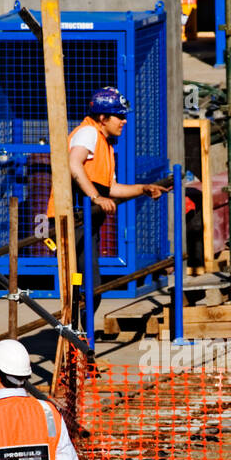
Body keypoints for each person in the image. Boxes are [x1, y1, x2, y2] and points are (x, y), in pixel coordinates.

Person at [47, 87, 168, 319]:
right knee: (85, 288)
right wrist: (96, 197)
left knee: (89, 288)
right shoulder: (88, 133)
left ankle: (78, 341)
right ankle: (76, 342)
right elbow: (74, 164)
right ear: (103, 118)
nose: (123, 121)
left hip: (86, 221)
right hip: (74, 219)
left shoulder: (105, 144)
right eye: (119, 116)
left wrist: (143, 189)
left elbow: (111, 188)